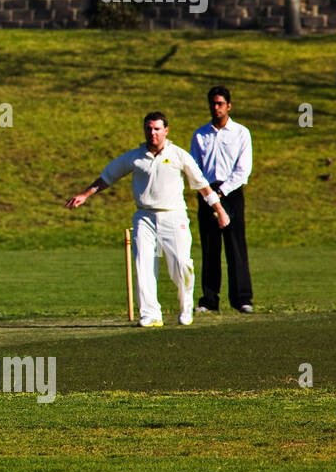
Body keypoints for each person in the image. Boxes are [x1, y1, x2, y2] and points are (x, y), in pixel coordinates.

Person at [65, 112, 230, 327]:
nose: (152, 133)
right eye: (149, 129)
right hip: (144, 216)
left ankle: (186, 305)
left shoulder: (178, 155)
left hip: (174, 216)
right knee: (143, 263)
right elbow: (108, 177)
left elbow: (202, 185)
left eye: (157, 129)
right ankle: (151, 314)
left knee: (181, 264)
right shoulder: (135, 156)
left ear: (166, 131)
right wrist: (85, 195)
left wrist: (220, 210)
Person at [189, 86, 254, 314]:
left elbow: (243, 170)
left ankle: (242, 298)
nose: (215, 108)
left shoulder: (241, 133)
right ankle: (209, 299)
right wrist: (208, 193)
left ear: (228, 106)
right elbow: (194, 169)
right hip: (206, 192)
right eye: (212, 103)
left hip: (231, 191)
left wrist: (222, 192)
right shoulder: (200, 135)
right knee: (210, 246)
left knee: (235, 245)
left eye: (219, 103)